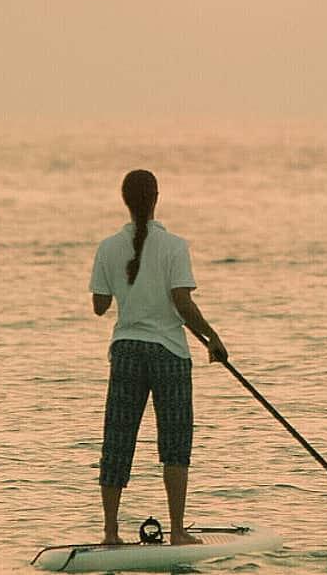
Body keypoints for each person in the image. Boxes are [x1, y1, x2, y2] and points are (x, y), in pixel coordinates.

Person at [89, 169, 228, 546]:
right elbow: (182, 304)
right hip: (169, 352)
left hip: (127, 351)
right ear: (156, 199)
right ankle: (178, 531)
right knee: (175, 443)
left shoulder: (107, 247)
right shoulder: (175, 247)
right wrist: (211, 338)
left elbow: (100, 306)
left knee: (117, 440)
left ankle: (111, 533)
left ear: (124, 200)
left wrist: (119, 285)